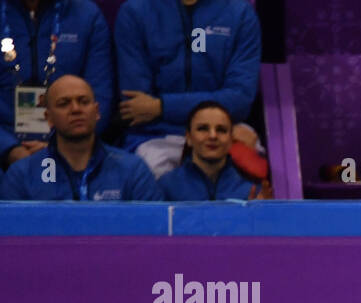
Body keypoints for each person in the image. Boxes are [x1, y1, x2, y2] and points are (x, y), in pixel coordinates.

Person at [114, 0, 262, 177]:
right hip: (157, 135)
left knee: (250, 175)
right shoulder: (135, 11)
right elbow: (137, 106)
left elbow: (239, 98)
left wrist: (161, 107)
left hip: (224, 128)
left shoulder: (240, 13)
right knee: (149, 177)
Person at [0, 73, 161, 199]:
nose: (76, 109)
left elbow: (155, 233)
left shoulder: (133, 170)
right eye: (64, 103)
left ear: (97, 112)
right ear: (48, 118)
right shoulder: (22, 175)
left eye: (83, 102)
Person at [0, 0, 113, 172]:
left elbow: (100, 97)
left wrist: (57, 146)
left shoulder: (86, 14)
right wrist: (10, 149)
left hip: (71, 145)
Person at [158, 100, 269, 200]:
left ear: (231, 139)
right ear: (188, 137)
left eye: (221, 130)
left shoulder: (252, 189)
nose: (213, 136)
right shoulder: (167, 186)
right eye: (203, 129)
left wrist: (258, 215)